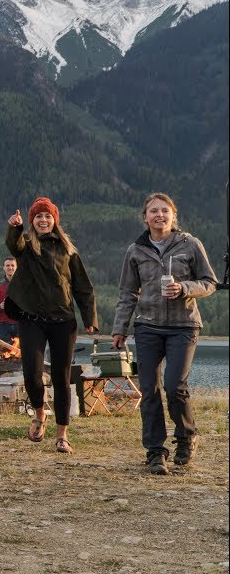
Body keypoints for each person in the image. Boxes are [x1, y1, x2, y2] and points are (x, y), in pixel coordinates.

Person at [110, 193, 218, 475]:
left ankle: (186, 437)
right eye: (154, 211)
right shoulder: (135, 250)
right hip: (147, 325)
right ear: (145, 217)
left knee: (174, 385)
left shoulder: (191, 244)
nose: (160, 215)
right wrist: (120, 328)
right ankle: (155, 451)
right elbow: (127, 293)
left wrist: (184, 288)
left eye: (165, 211)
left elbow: (209, 283)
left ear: (173, 216)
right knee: (149, 389)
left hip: (184, 325)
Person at [5, 197, 97, 454]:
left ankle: (62, 435)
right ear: (32, 221)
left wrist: (90, 319)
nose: (43, 220)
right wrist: (15, 227)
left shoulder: (68, 250)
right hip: (32, 319)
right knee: (32, 374)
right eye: (38, 217)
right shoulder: (27, 247)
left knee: (61, 377)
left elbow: (83, 288)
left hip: (63, 321)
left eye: (47, 216)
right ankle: (39, 413)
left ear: (55, 219)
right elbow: (13, 244)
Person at [0, 257, 19, 343]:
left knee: (21, 353)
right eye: (7, 265)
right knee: (5, 354)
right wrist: (0, 306)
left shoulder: (23, 285)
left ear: (16, 267)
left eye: (12, 265)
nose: (10, 267)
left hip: (20, 324)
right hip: (3, 325)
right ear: (4, 267)